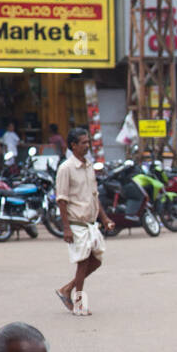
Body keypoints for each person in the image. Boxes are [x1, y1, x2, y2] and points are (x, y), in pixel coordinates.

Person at [54, 128, 112, 316]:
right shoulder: (66, 168)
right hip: (76, 222)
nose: (87, 146)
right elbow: (61, 200)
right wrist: (66, 228)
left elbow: (94, 196)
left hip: (90, 222)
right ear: (73, 145)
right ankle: (79, 304)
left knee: (96, 260)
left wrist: (104, 218)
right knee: (83, 262)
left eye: (88, 142)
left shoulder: (89, 166)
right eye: (83, 142)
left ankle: (66, 289)